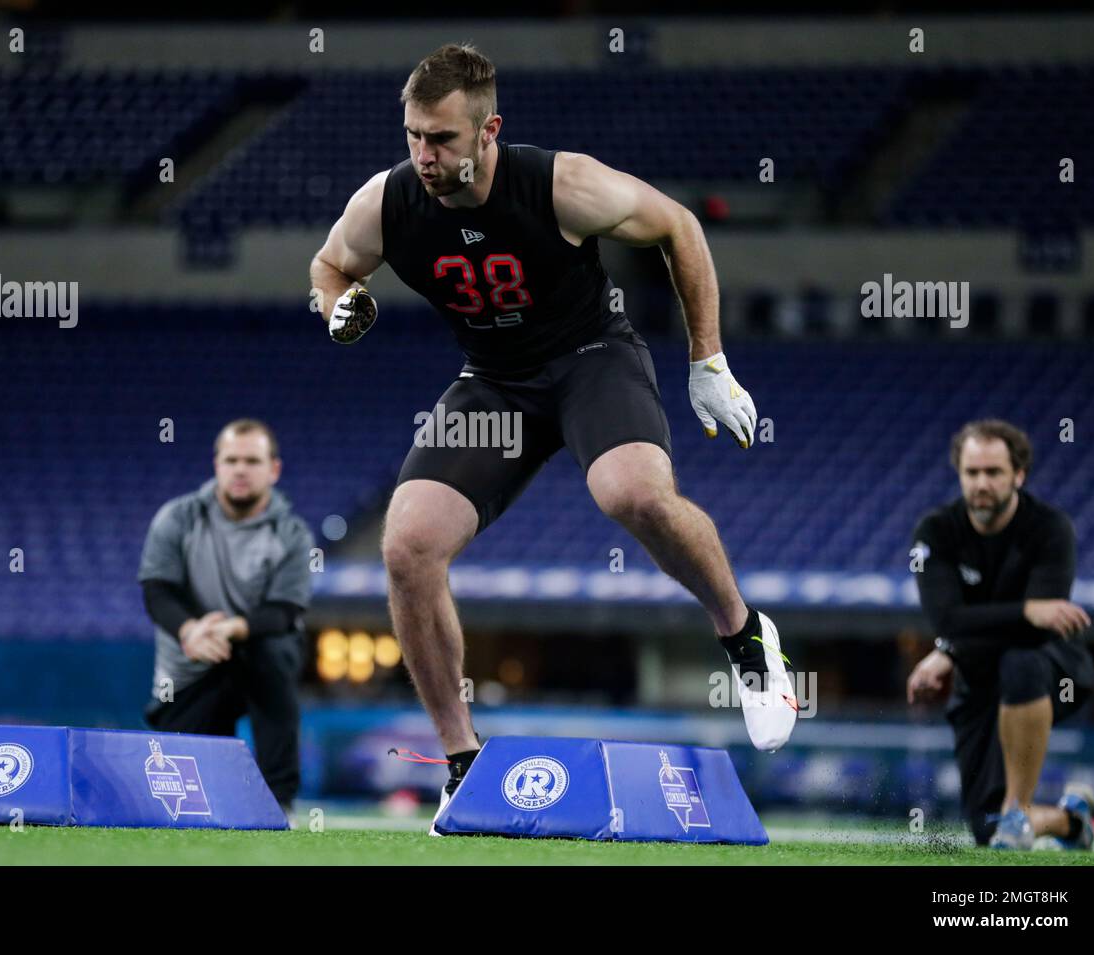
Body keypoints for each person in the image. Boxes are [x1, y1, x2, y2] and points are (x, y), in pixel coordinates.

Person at [308, 43, 798, 823]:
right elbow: (331, 264)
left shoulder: (558, 183)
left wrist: (708, 360)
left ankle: (744, 637)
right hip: (495, 380)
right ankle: (463, 762)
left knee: (632, 493)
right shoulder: (388, 200)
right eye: (412, 136)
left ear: (489, 130)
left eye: (442, 139)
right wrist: (335, 306)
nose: (423, 155)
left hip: (588, 360)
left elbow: (678, 226)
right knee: (406, 545)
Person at [907, 419, 1094, 849]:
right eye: (972, 473)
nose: (981, 483)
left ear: (1019, 475)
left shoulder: (1051, 529)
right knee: (984, 828)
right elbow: (947, 621)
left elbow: (1037, 634)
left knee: (1021, 661)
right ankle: (1068, 821)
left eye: (993, 472)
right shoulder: (935, 532)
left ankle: (1016, 810)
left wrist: (950, 650)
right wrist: (956, 646)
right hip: (978, 679)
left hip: (1056, 672)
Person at [138, 419, 315, 814]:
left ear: (274, 469)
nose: (240, 469)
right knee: (182, 788)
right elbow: (157, 591)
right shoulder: (177, 517)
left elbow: (285, 611)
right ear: (216, 464)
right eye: (231, 459)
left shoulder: (292, 534)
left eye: (252, 460)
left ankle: (277, 801)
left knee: (274, 650)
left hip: (254, 657)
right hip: (192, 662)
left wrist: (227, 628)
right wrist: (190, 632)